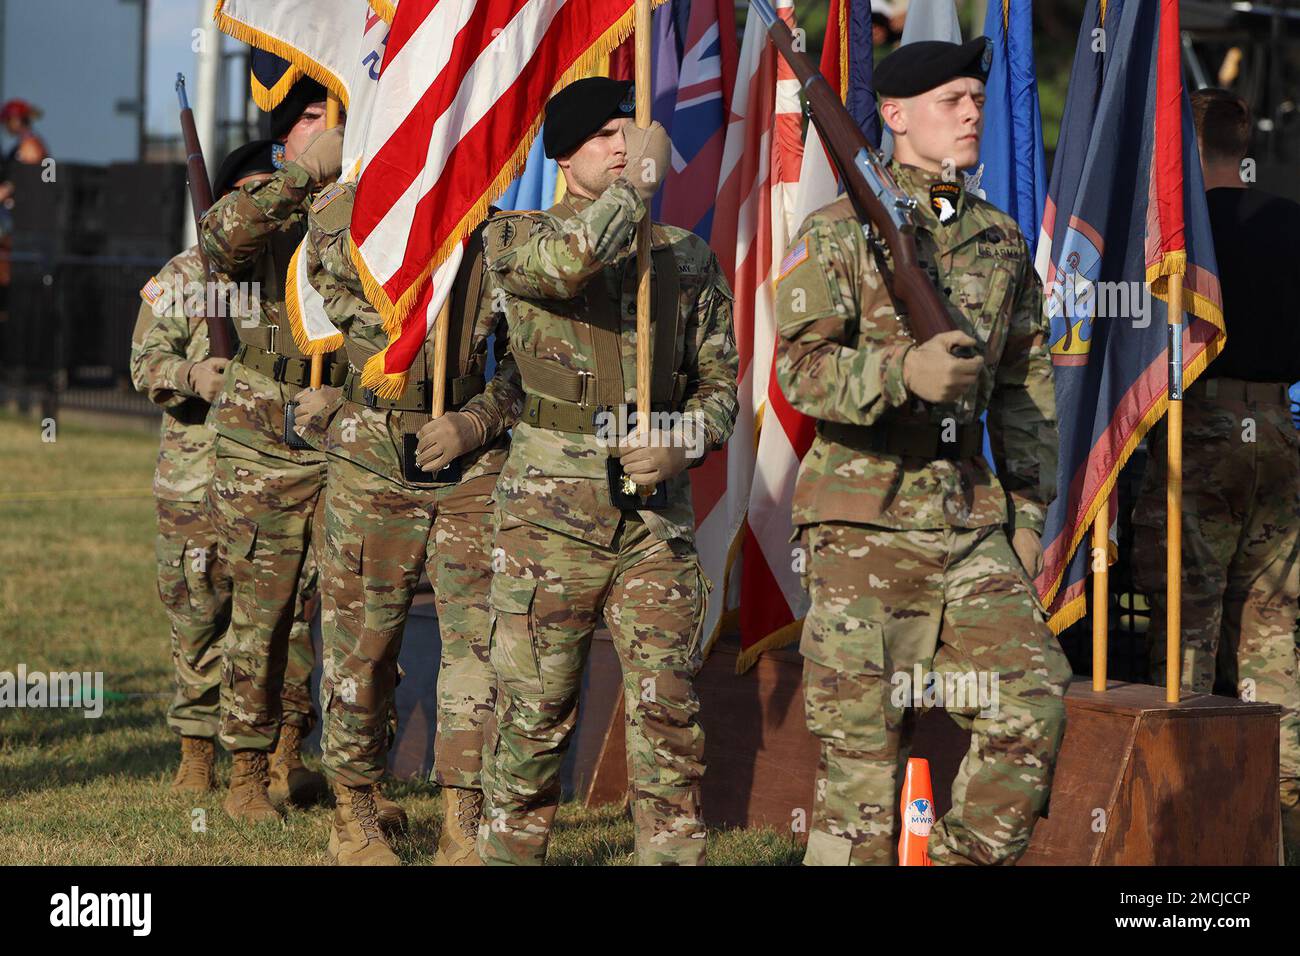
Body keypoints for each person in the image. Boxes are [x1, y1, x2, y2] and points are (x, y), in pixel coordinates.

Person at [774, 39, 1069, 865]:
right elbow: (799, 372)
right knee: (861, 779)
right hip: (861, 523)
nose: (974, 112)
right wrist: (903, 369)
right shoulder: (835, 236)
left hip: (969, 522)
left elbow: (1024, 390)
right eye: (953, 100)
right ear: (896, 118)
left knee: (1034, 700)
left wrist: (1030, 513)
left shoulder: (1001, 240)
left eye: (978, 97)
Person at [477, 76, 738, 865]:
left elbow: (722, 382)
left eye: (633, 130)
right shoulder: (516, 235)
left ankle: (672, 853)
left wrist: (684, 440)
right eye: (605, 137)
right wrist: (643, 186)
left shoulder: (684, 256)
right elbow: (572, 262)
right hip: (547, 517)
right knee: (535, 709)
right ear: (563, 155)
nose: (624, 146)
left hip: (654, 518)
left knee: (668, 708)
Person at [293, 174, 522, 865]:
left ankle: (463, 821)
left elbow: (529, 361)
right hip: (373, 452)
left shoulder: (504, 233)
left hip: (470, 456)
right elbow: (324, 266)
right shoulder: (361, 217)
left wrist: (476, 420)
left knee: (478, 648)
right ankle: (354, 816)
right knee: (362, 644)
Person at [197, 79, 379, 826]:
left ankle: (324, 770)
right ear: (282, 139)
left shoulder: (371, 204)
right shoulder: (265, 200)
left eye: (336, 116)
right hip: (263, 440)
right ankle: (243, 775)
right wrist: (307, 174)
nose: (329, 128)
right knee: (262, 615)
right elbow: (218, 239)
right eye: (312, 118)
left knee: (357, 617)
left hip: (351, 430)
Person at [1131, 88, 1300, 861]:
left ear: (1182, 151)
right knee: (1271, 634)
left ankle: (1189, 820)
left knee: (1185, 626)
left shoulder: (1176, 240)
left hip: (1196, 428)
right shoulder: (1290, 221)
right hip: (1279, 430)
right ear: (1240, 146)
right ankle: (1282, 821)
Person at [128, 142, 326, 803]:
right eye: (250, 196)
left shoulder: (303, 282)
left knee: (286, 623)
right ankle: (194, 751)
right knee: (199, 614)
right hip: (197, 481)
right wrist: (191, 374)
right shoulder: (182, 276)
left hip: (277, 479)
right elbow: (144, 360)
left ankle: (283, 754)